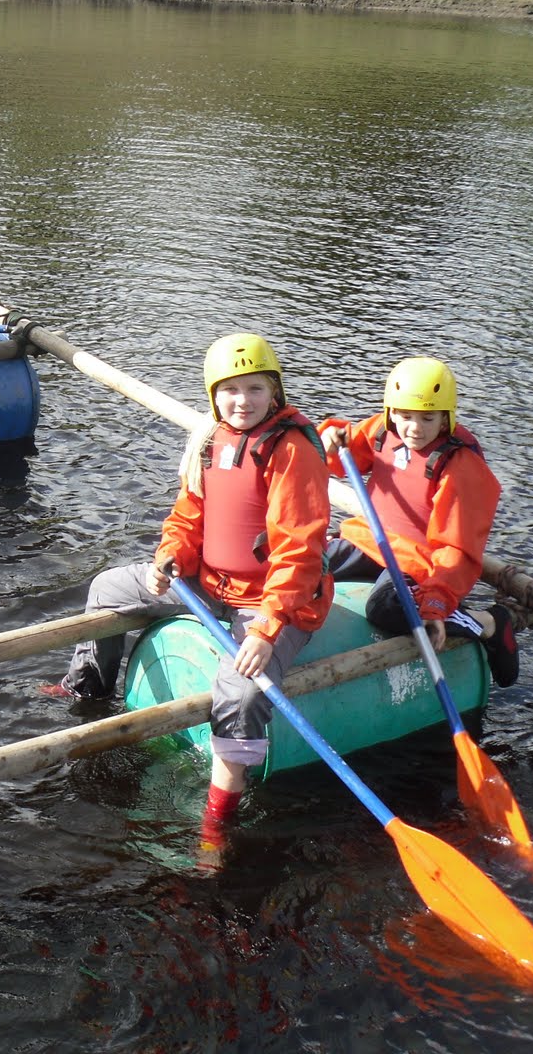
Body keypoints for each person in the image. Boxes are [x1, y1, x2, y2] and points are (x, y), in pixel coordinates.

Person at [41, 334, 333, 855]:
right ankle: (87, 688)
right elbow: (188, 515)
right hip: (209, 584)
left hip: (271, 601)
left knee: (241, 693)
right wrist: (169, 557)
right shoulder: (211, 440)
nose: (242, 401)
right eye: (230, 390)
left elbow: (299, 551)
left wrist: (266, 630)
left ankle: (217, 823)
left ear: (275, 390)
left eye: (255, 389)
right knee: (107, 588)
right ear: (213, 394)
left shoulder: (291, 450)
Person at [319, 357, 519, 686]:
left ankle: (489, 623)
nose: (414, 428)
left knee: (385, 609)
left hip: (418, 561)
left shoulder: (459, 465)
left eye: (428, 418)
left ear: (446, 418)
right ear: (391, 412)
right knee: (307, 563)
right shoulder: (383, 429)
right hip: (371, 539)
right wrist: (328, 440)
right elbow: (344, 452)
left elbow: (456, 550)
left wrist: (436, 605)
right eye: (405, 416)